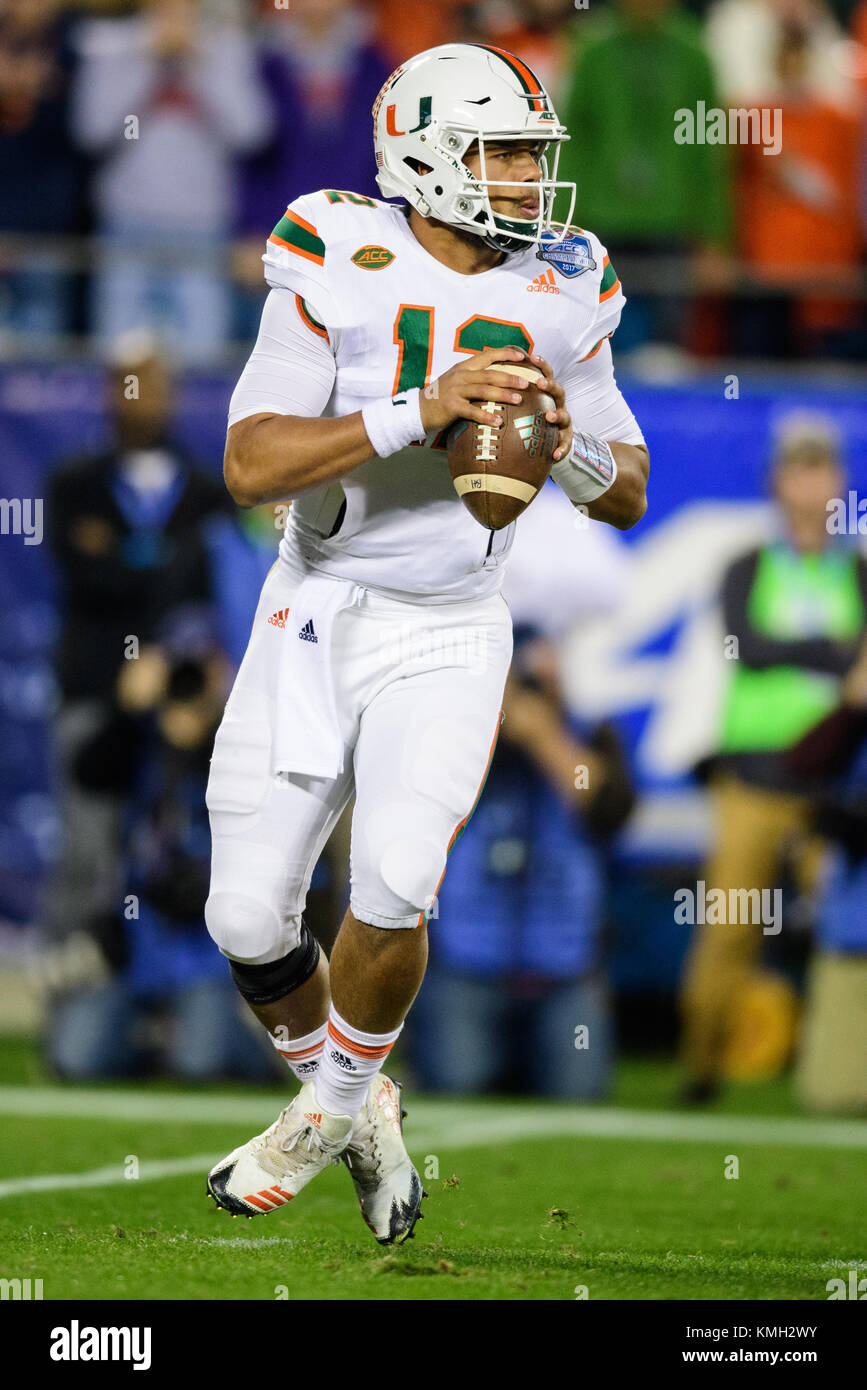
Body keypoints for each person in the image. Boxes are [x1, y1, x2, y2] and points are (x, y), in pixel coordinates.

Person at [204, 41, 648, 1244]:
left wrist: (570, 448)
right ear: (423, 155)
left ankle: (325, 1110)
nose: (523, 178)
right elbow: (249, 464)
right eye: (502, 152)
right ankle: (369, 1105)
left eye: (530, 155)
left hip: (452, 624)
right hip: (312, 604)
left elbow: (628, 487)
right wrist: (419, 407)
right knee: (246, 918)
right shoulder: (332, 246)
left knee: (398, 876)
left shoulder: (567, 279)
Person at [678, 413, 867, 1104]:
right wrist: (836, 656)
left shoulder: (856, 568)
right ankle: (702, 1067)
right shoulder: (749, 565)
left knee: (847, 925)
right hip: (753, 778)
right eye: (799, 467)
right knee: (729, 928)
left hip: (832, 785)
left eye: (823, 467)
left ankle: (836, 1063)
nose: (812, 481)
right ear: (776, 483)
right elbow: (749, 647)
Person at [44, 335, 233, 963]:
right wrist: (158, 562)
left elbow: (204, 586)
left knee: (184, 838)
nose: (142, 396)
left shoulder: (208, 490)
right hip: (97, 691)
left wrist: (123, 554)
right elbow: (85, 576)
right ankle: (70, 992)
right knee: (89, 847)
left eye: (154, 381)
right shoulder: (74, 483)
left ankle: (175, 989)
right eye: (130, 381)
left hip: (182, 704)